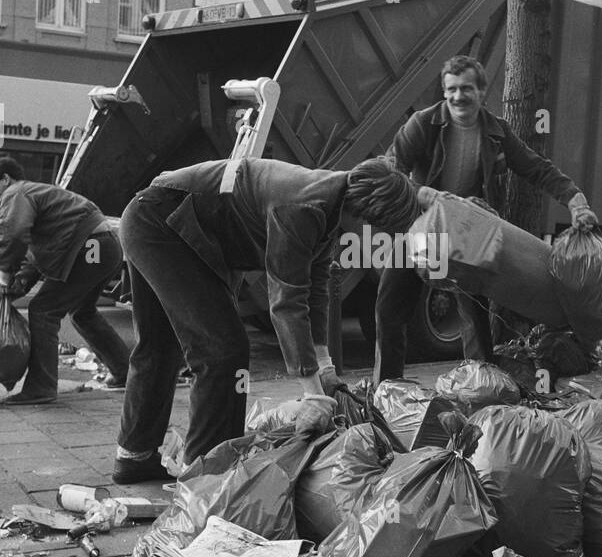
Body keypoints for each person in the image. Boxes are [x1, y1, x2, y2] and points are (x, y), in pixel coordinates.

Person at [113, 154, 417, 483]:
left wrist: (324, 367)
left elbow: (314, 291)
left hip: (156, 218)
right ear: (368, 213)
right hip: (160, 223)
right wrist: (311, 392)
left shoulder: (329, 203)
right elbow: (286, 301)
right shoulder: (303, 207)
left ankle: (135, 457)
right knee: (222, 351)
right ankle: (207, 478)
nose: (374, 238)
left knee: (161, 345)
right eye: (381, 228)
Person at [373, 54, 599, 381]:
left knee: (474, 320)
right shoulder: (423, 123)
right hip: (417, 229)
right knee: (388, 309)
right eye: (450, 89)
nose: (457, 96)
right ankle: (385, 389)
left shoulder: (496, 131)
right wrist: (426, 194)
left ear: (481, 91)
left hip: (466, 235)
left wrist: (577, 203)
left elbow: (538, 169)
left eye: (466, 88)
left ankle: (481, 390)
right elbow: (390, 171)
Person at [0, 156, 131, 405]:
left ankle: (41, 388)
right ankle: (125, 373)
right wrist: (18, 284)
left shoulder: (17, 193)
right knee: (82, 312)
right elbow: (35, 256)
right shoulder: (35, 194)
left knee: (43, 310)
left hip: (93, 247)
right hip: (102, 247)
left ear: (6, 179)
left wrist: (4, 276)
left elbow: (14, 233)